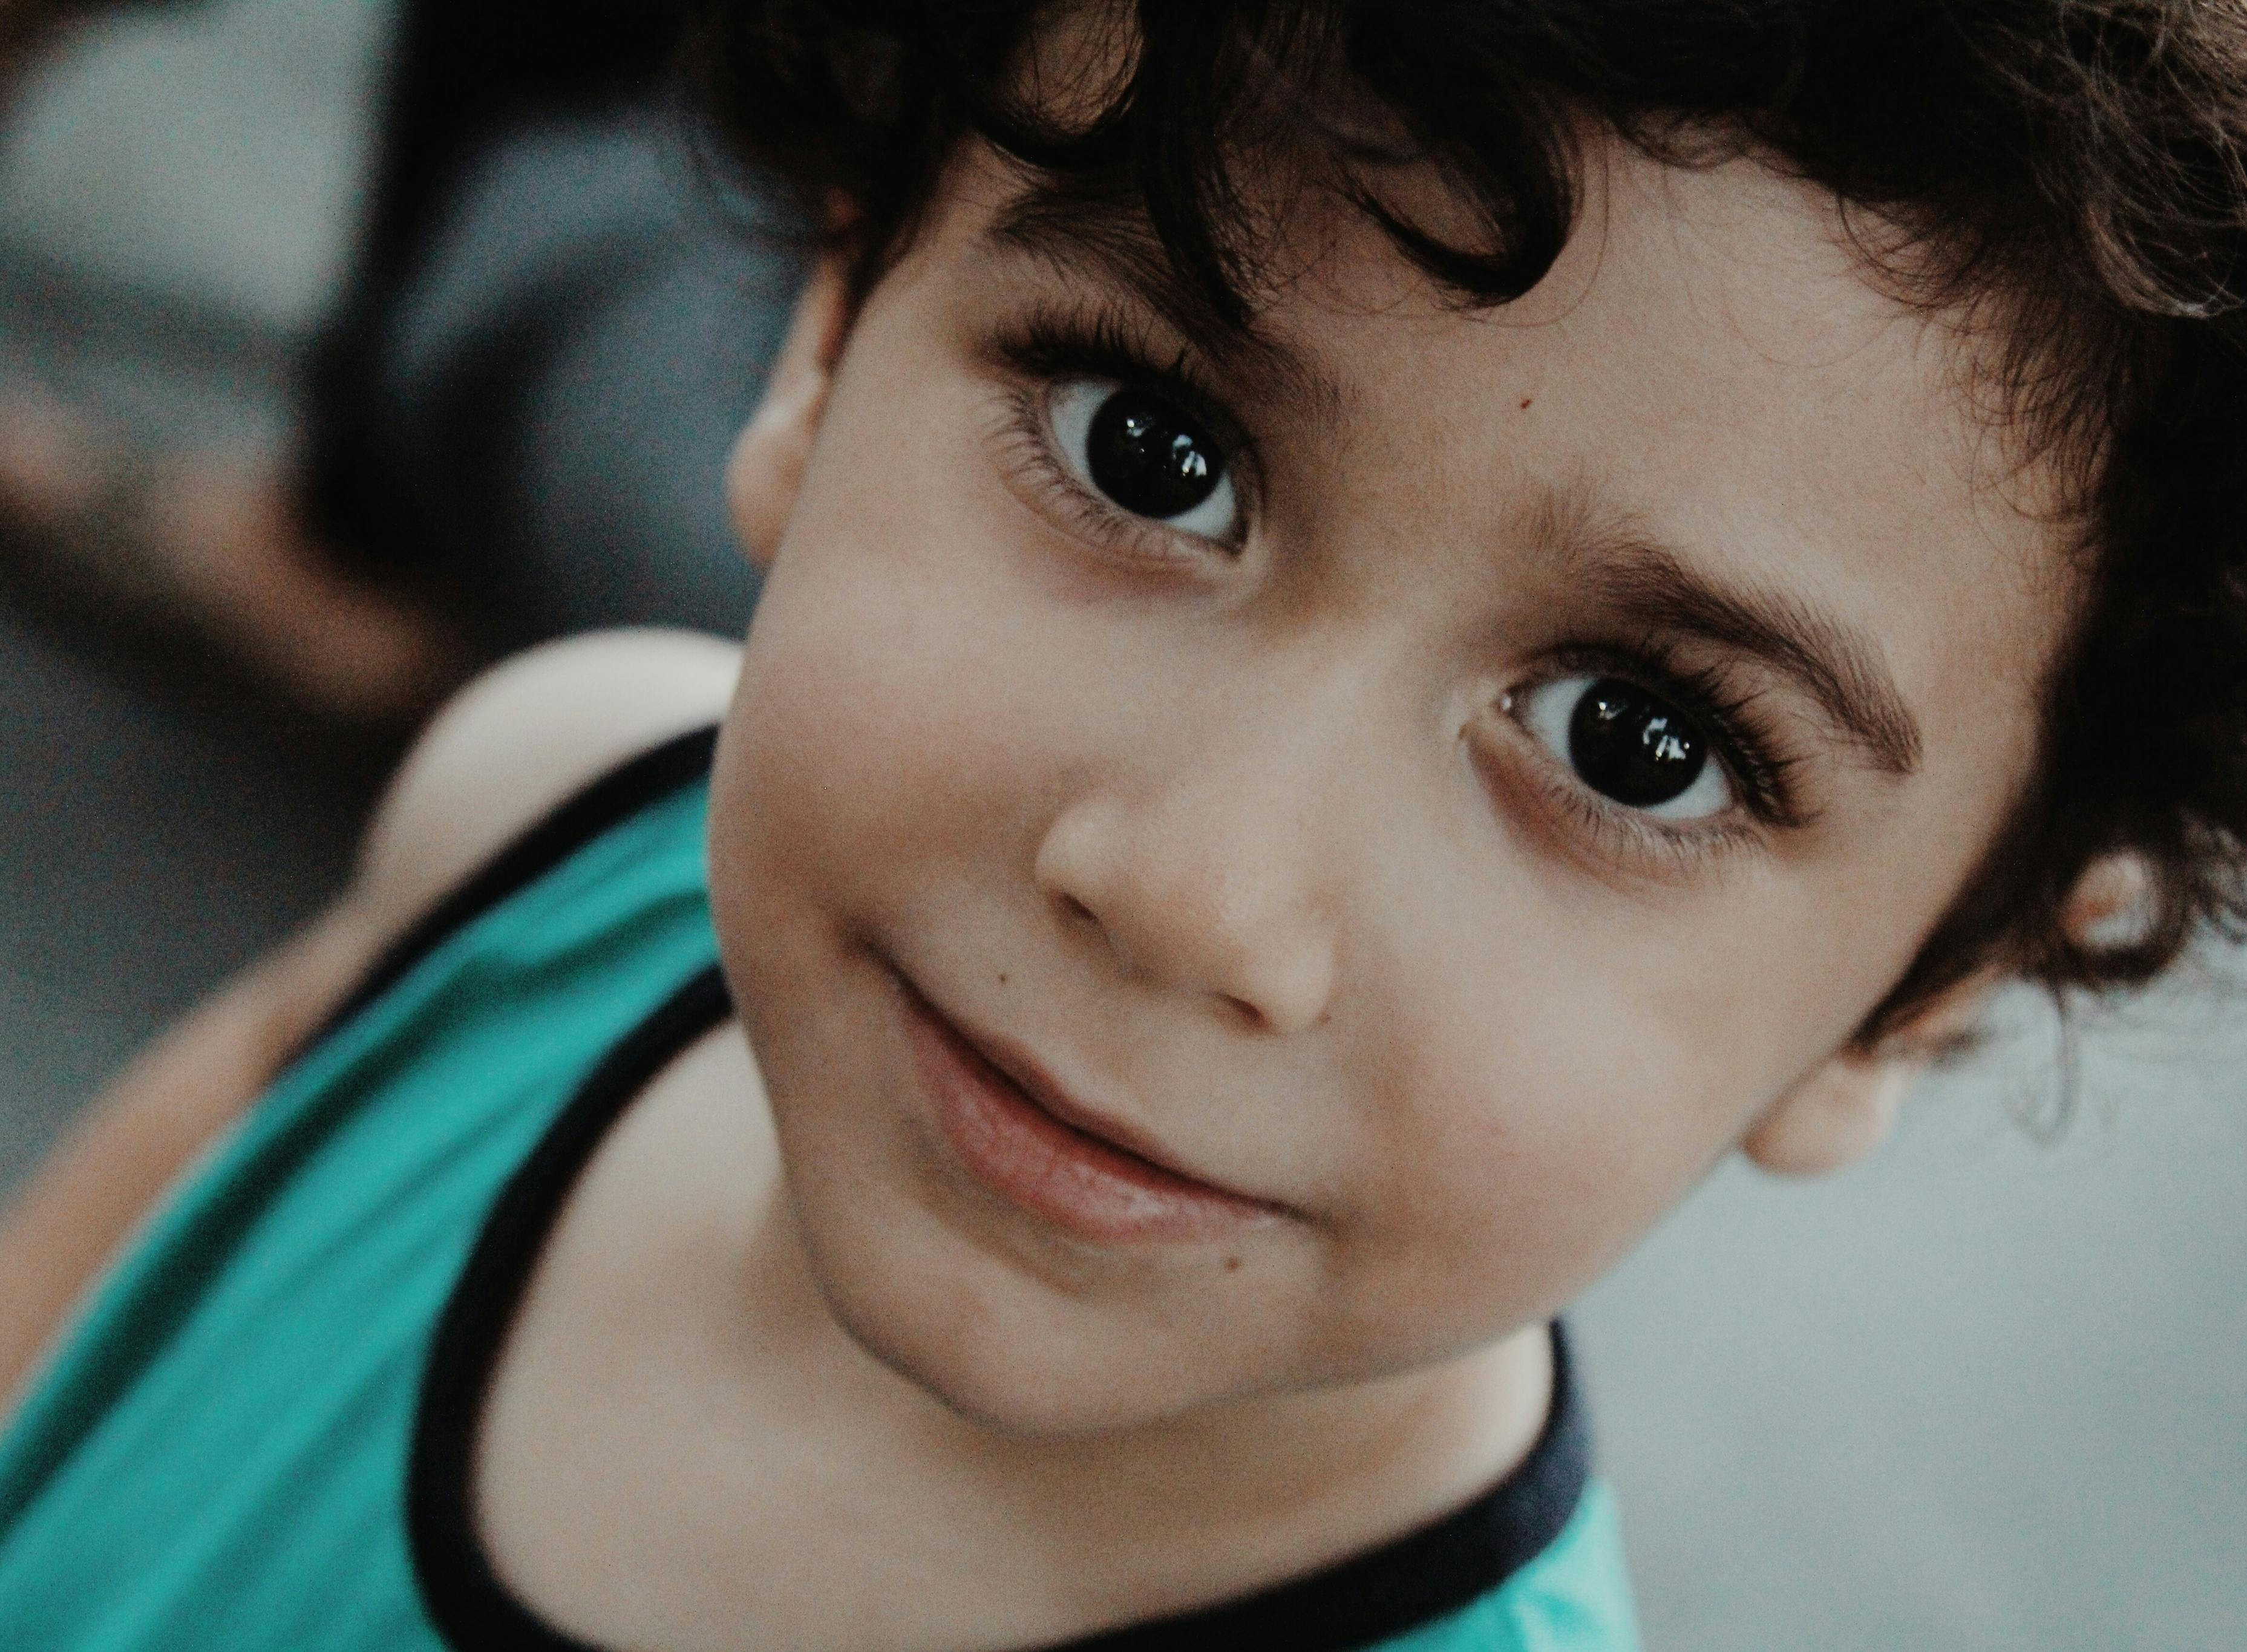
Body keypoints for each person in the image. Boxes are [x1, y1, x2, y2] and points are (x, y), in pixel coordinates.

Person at [2, 1, 2244, 1645]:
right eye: (1148, 450)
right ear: (825, 339)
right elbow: (130, 1275)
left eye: (1637, 742)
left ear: (1922, 991)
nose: (1192, 896)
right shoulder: (553, 813)